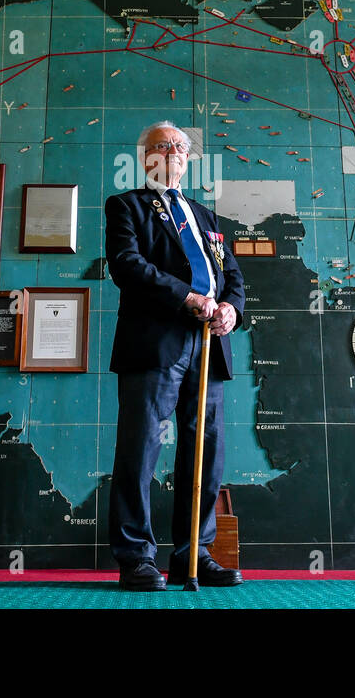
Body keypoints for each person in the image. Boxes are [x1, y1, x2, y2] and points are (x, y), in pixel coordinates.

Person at [104, 120, 246, 591]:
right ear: (145, 156)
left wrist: (231, 309)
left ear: (188, 158)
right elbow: (128, 265)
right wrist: (188, 298)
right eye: (163, 146)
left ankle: (194, 553)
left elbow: (233, 279)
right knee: (140, 449)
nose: (174, 153)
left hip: (210, 344)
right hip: (156, 342)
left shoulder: (207, 217)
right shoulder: (126, 206)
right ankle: (136, 557)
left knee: (205, 453)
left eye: (181, 147)